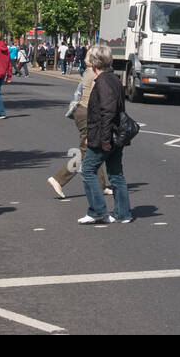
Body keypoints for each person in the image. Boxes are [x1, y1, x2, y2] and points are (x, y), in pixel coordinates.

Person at [79, 43, 132, 224]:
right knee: (116, 174)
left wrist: (103, 139)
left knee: (87, 170)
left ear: (94, 62)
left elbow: (107, 112)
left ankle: (97, 211)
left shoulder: (103, 82)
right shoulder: (114, 79)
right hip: (116, 135)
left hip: (106, 136)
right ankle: (122, 213)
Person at [48, 68, 110, 199]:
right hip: (88, 114)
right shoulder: (96, 74)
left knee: (94, 150)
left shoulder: (88, 71)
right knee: (86, 152)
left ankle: (101, 185)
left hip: (82, 112)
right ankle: (58, 179)